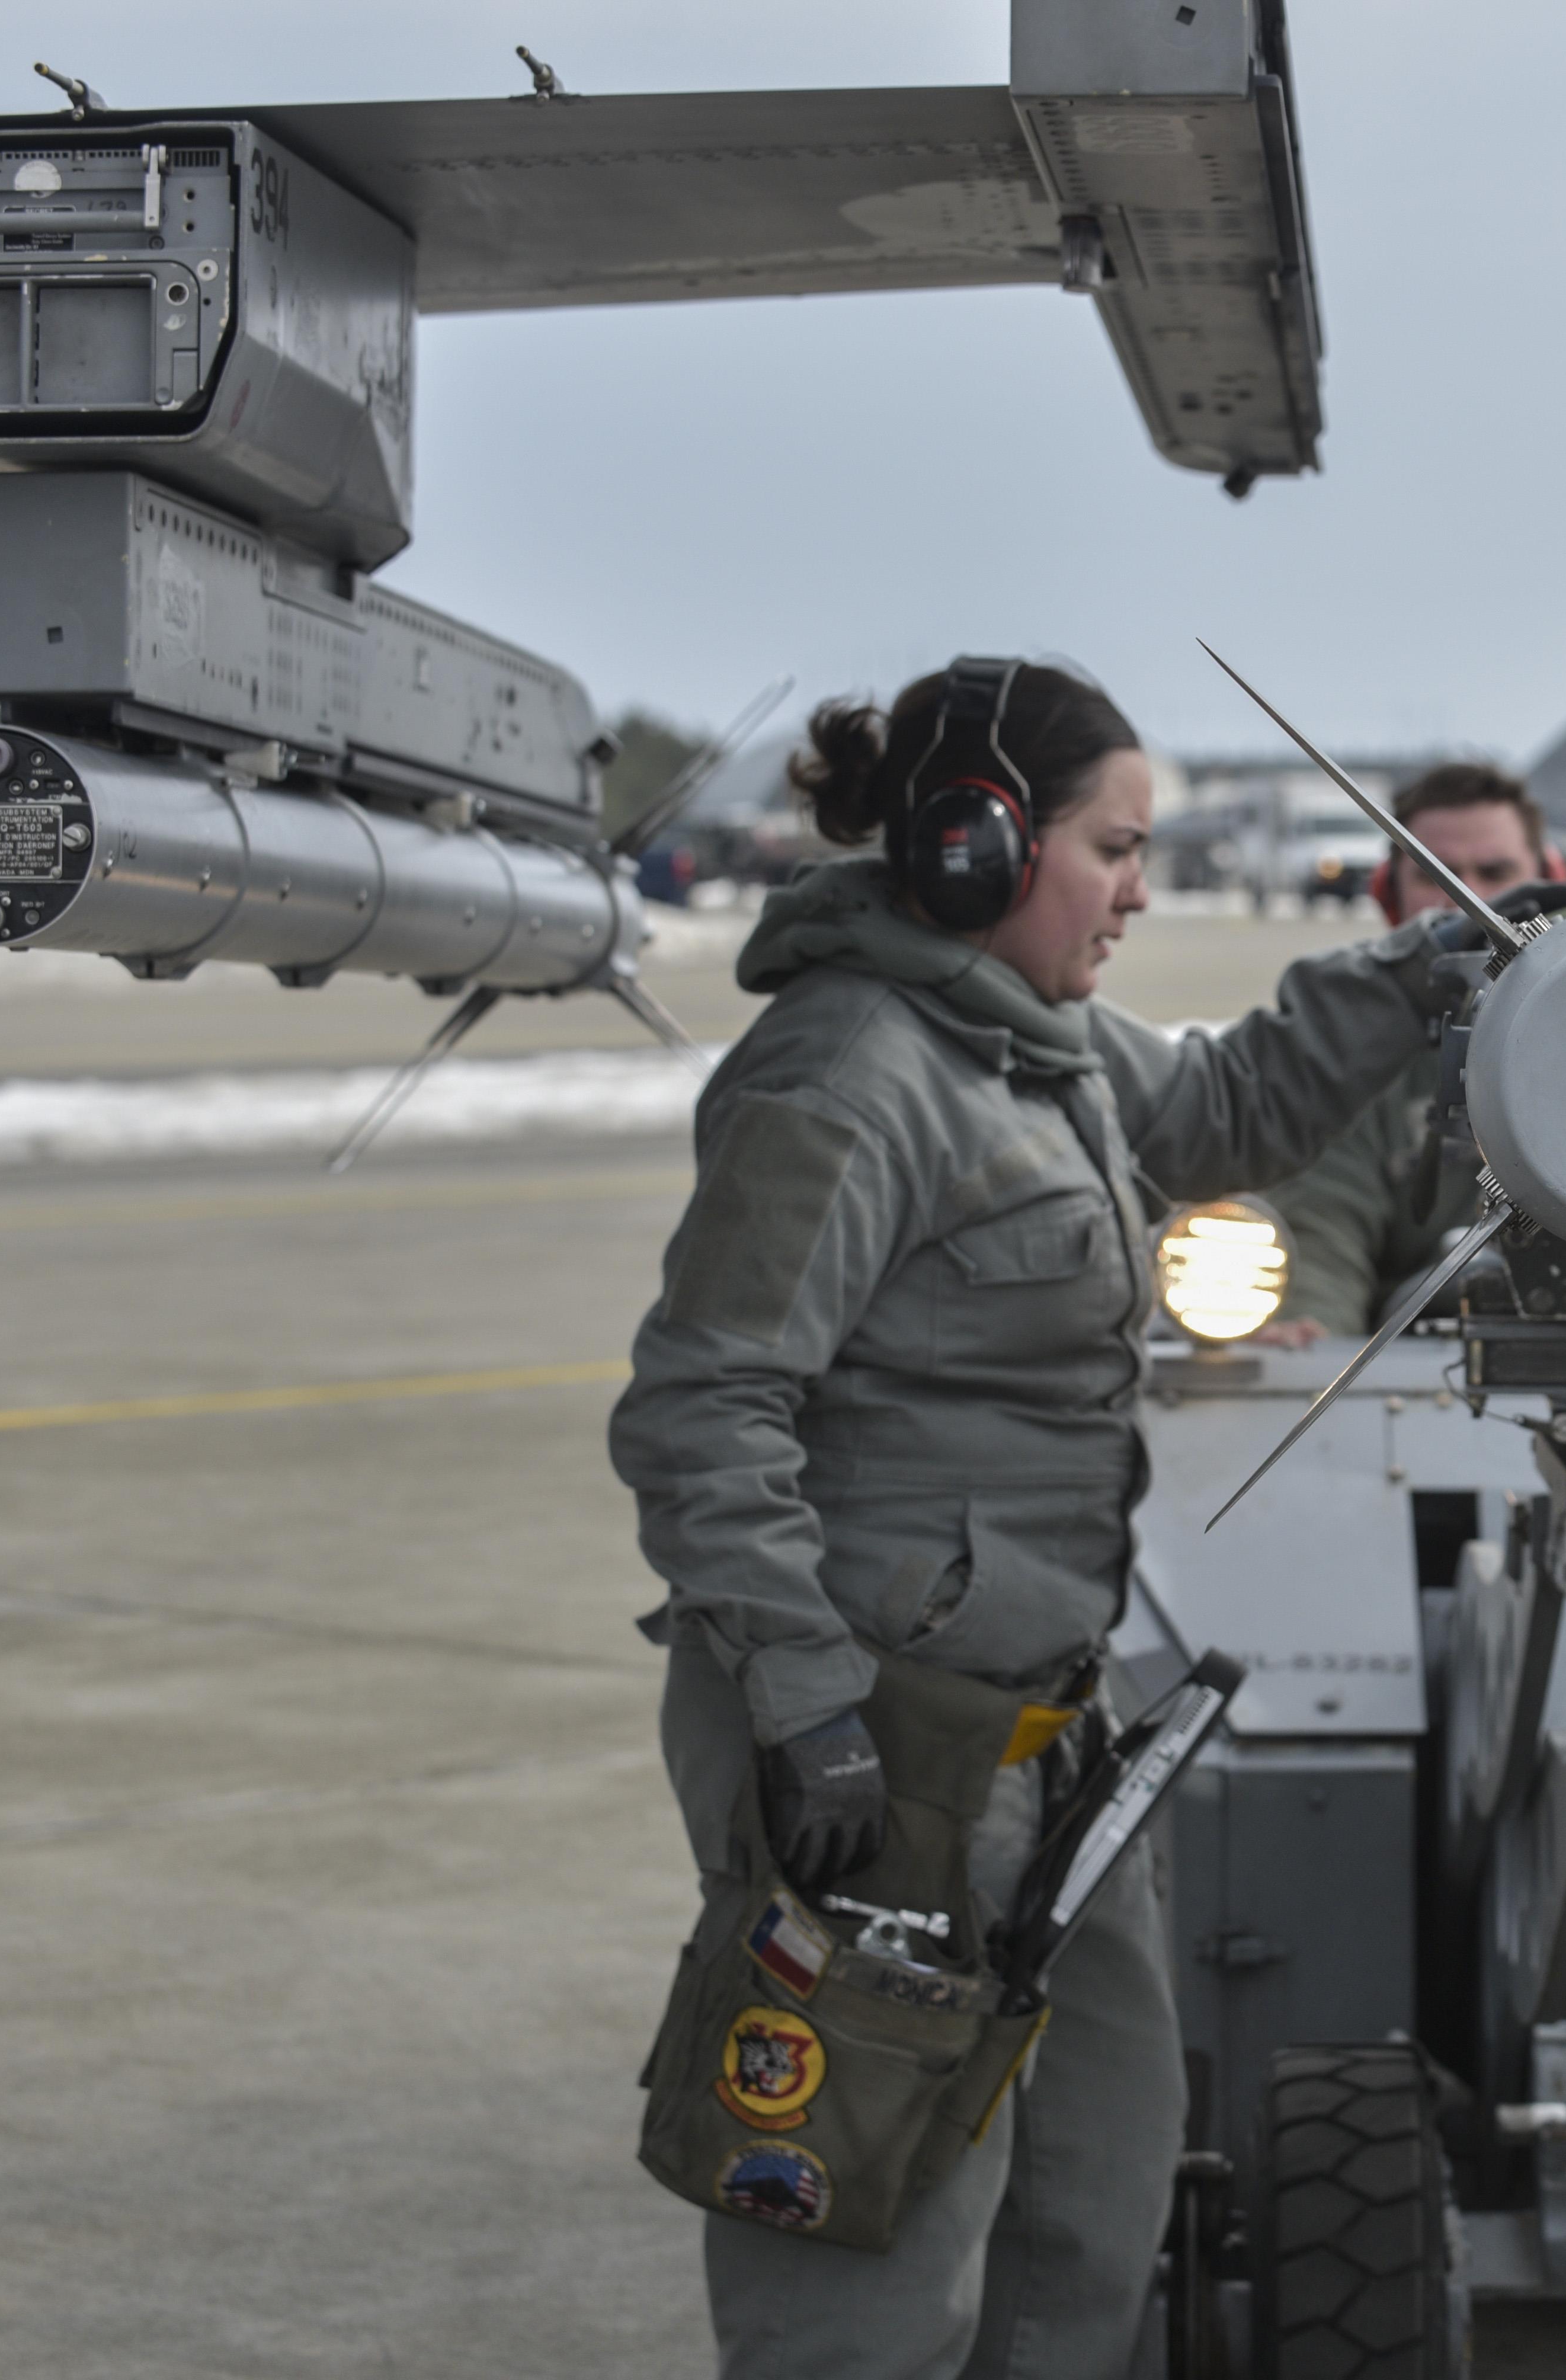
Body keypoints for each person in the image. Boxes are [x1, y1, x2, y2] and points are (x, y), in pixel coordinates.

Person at [609, 658, 1465, 2377]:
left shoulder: (1035, 1050)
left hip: (1040, 1735)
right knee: (864, 2235)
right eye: (1118, 848)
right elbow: (706, 1405)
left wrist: (1424, 974)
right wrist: (805, 1710)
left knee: (1093, 2195)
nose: (1143, 890)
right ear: (978, 848)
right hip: (874, 1749)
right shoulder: (850, 1078)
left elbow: (1223, 1112)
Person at [1253, 762, 1566, 1344]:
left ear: (1550, 882)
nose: (1468, 901)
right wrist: (1309, 1337)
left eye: (1495, 872)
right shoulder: (1350, 1057)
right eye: (1437, 876)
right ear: (1387, 893)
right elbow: (1321, 1224)